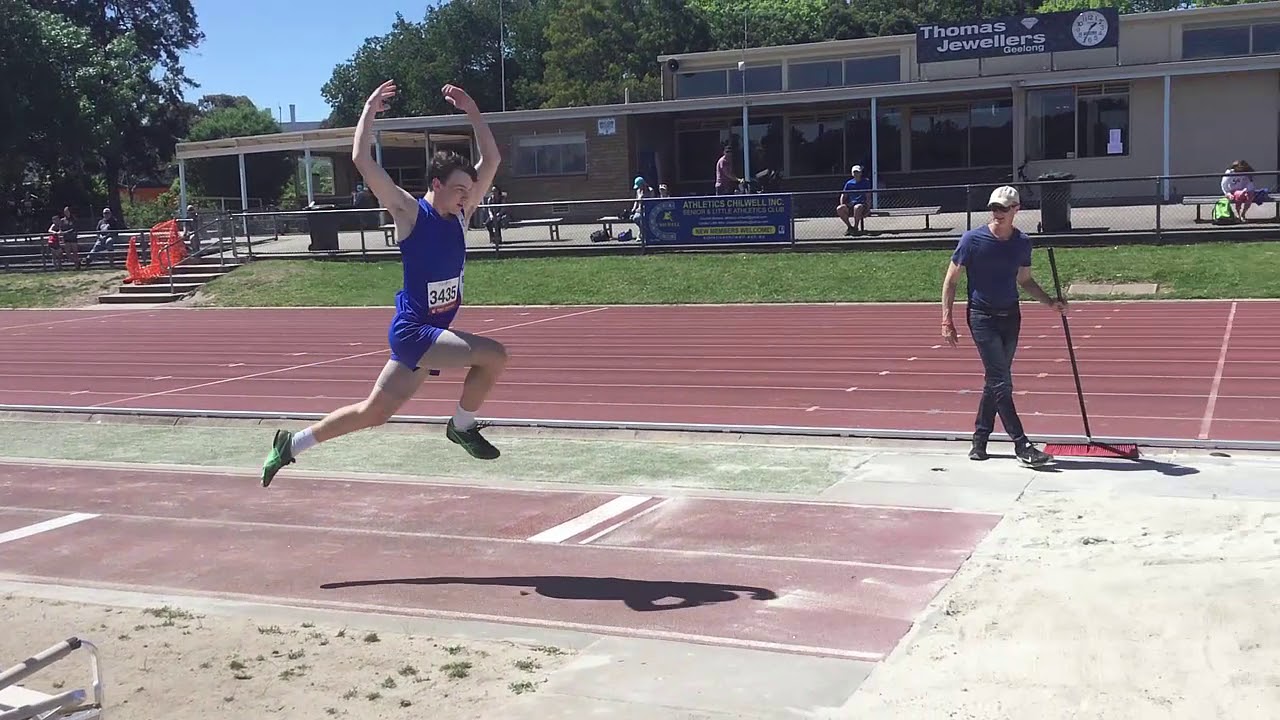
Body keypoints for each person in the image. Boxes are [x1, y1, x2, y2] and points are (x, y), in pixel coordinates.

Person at [260, 80, 507, 488]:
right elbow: (360, 158)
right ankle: (461, 426)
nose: (468, 197)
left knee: (373, 413)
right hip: (415, 333)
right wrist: (370, 108)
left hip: (431, 332)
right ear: (437, 184)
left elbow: (492, 158)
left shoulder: (460, 215)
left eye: (470, 189)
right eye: (460, 189)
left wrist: (473, 110)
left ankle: (290, 445)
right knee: (494, 355)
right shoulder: (409, 212)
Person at [941, 185, 1063, 467]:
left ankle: (980, 439)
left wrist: (1049, 302)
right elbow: (951, 281)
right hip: (982, 317)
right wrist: (947, 319)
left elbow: (1025, 280)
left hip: (1011, 316)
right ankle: (1022, 444)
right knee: (1001, 381)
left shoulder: (1022, 242)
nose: (997, 213)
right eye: (993, 208)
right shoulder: (972, 240)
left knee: (995, 380)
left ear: (1015, 209)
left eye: (1003, 208)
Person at [836, 165, 871, 236]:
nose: (856, 174)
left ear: (861, 173)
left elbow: (868, 196)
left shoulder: (866, 182)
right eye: (854, 172)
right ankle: (849, 227)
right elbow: (843, 195)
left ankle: (855, 227)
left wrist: (868, 208)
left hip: (861, 205)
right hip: (851, 204)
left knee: (857, 207)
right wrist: (842, 204)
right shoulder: (849, 183)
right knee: (839, 208)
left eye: (858, 172)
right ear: (852, 173)